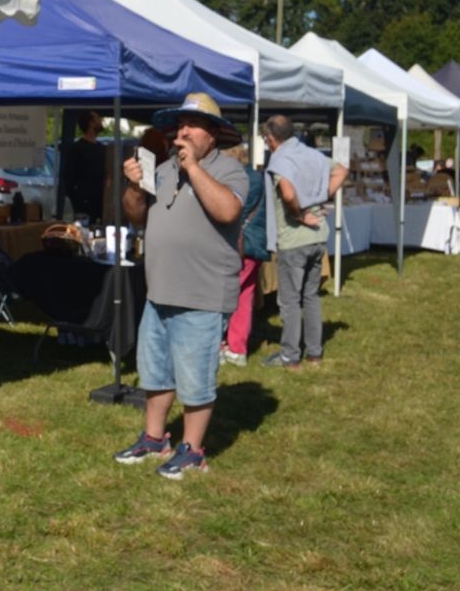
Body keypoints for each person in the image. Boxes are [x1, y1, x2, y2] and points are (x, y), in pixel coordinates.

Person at [115, 93, 247, 479]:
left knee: (195, 377)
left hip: (202, 292)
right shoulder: (165, 168)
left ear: (214, 133)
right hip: (159, 289)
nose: (181, 132)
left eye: (192, 125)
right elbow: (136, 215)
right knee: (154, 372)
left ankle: (193, 451)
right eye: (178, 125)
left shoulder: (230, 170)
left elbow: (227, 210)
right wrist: (135, 185)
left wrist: (194, 169)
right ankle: (154, 439)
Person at [260, 115, 348, 369]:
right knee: (310, 296)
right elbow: (342, 170)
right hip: (319, 236)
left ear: (271, 138)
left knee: (289, 300)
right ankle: (314, 353)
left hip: (294, 238)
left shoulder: (280, 159)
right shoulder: (312, 154)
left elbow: (287, 193)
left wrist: (299, 213)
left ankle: (290, 355)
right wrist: (323, 196)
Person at [220, 145, 268, 367]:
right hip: (255, 244)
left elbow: (229, 213)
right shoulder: (256, 177)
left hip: (238, 245)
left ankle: (218, 344)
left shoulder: (236, 179)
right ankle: (238, 348)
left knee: (224, 295)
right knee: (244, 296)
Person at [64, 110, 105, 223]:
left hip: (101, 203)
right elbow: (68, 178)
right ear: (91, 123)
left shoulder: (102, 148)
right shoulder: (77, 149)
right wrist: (78, 200)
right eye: (97, 118)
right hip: (84, 204)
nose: (101, 121)